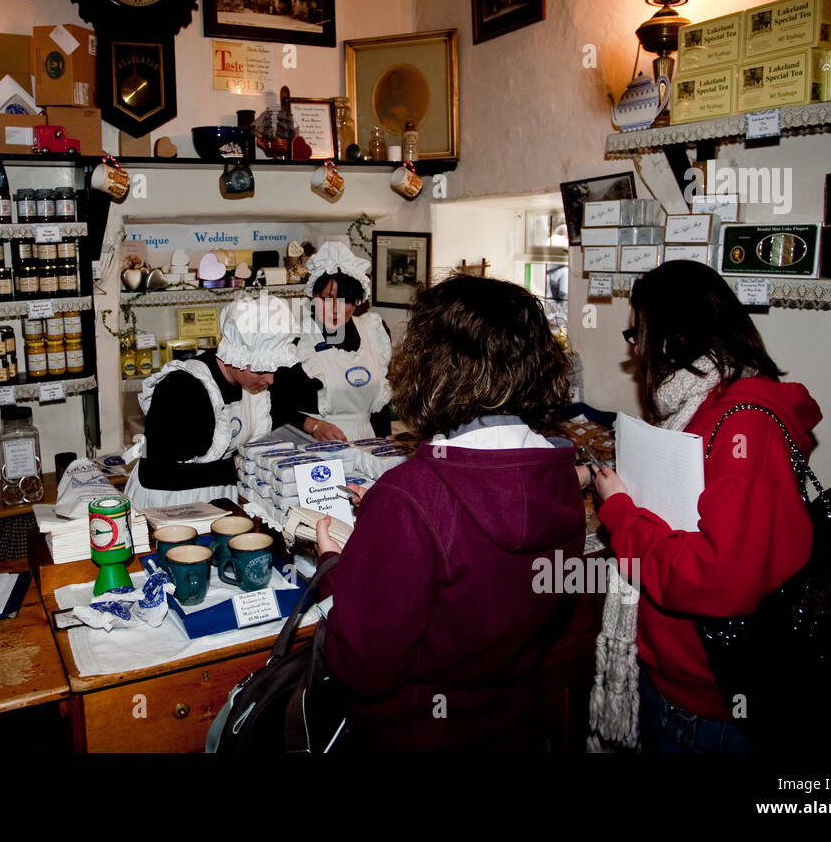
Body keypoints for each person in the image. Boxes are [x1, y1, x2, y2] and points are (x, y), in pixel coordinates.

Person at [313, 275, 586, 751]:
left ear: (429, 366)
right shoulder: (560, 476)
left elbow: (363, 665)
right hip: (518, 728)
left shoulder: (408, 497)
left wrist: (336, 566)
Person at [586, 260, 821, 753]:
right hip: (682, 679)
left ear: (671, 337)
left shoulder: (743, 425)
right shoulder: (708, 407)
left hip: (707, 706)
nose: (634, 348)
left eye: (637, 331)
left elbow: (718, 579)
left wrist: (622, 512)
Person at [123, 295, 299, 508]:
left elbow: (274, 412)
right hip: (168, 501)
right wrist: (232, 468)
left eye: (274, 369)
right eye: (262, 370)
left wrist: (310, 425)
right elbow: (154, 473)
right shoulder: (181, 388)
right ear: (237, 356)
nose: (270, 379)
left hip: (218, 494)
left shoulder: (250, 382)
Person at [272, 240, 392, 441]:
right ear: (313, 295)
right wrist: (312, 425)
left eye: (345, 299)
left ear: (358, 301)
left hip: (366, 443)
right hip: (311, 446)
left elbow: (381, 408)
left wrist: (385, 448)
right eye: (327, 297)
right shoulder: (296, 340)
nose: (334, 307)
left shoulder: (374, 332)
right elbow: (274, 408)